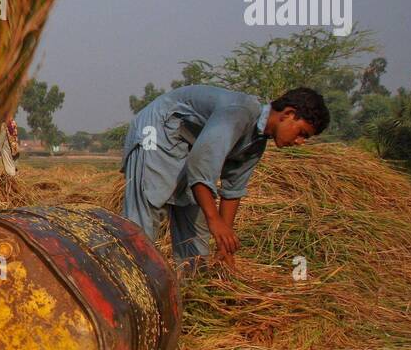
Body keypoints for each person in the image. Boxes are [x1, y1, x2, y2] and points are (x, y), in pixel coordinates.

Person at [120, 85, 328, 266]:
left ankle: (191, 288)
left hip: (188, 145)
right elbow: (200, 167)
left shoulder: (257, 143)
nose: (300, 142)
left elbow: (233, 190)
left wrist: (224, 244)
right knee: (146, 214)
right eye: (302, 133)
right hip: (159, 128)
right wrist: (215, 220)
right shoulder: (240, 112)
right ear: (288, 114)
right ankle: (132, 281)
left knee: (195, 229)